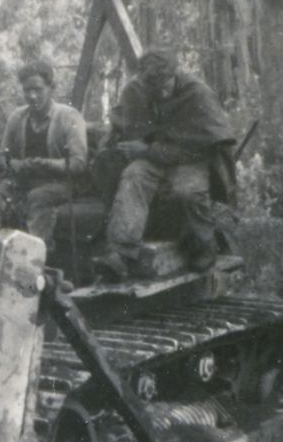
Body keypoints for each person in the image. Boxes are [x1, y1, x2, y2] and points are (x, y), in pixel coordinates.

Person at [94, 48, 233, 280]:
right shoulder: (135, 91)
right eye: (154, 90)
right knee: (133, 177)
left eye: (166, 86)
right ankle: (121, 252)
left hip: (189, 159)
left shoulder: (197, 93)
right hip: (151, 158)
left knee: (186, 192)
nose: (162, 93)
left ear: (175, 74)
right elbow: (129, 127)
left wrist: (149, 149)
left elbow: (203, 145)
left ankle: (203, 247)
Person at [0, 61, 89, 246]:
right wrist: (15, 164)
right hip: (25, 180)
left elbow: (79, 163)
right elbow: (1, 157)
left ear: (51, 88)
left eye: (38, 90)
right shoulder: (17, 117)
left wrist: (47, 164)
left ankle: (37, 256)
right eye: (27, 90)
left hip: (63, 183)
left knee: (38, 197)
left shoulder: (69, 117)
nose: (32, 96)